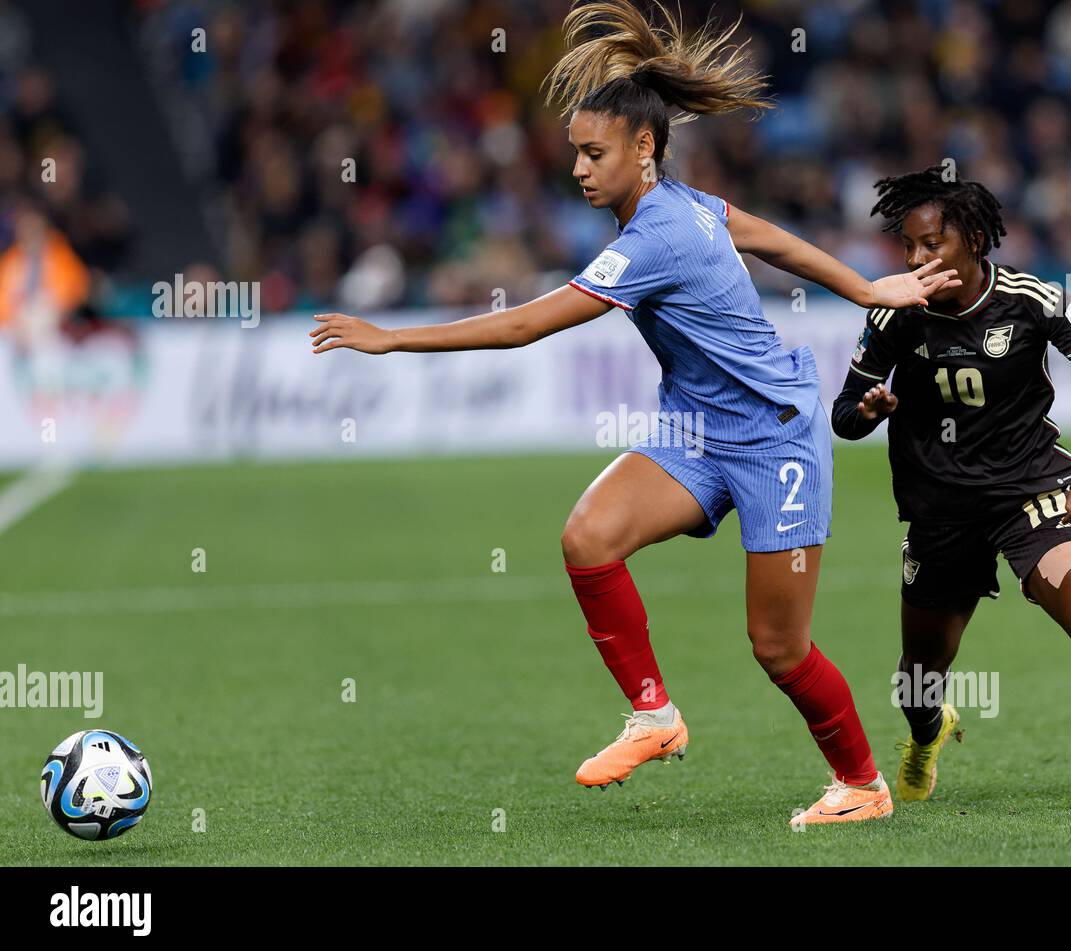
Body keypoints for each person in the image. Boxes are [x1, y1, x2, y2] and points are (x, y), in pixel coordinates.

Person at [311, 1, 958, 826]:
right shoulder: (686, 205)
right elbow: (768, 237)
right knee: (588, 537)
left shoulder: (655, 236)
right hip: (698, 432)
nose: (579, 170)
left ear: (643, 148)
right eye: (575, 153)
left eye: (594, 154)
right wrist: (864, 287)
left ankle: (862, 786)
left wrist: (393, 337)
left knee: (778, 647)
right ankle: (653, 715)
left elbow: (523, 326)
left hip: (775, 439)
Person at [832, 165, 1071, 809]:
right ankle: (927, 734)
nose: (916, 260)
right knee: (918, 685)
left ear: (976, 240)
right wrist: (868, 412)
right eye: (908, 246)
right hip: (941, 510)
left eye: (932, 244)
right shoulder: (896, 313)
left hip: (1033, 494)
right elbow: (844, 414)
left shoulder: (1034, 301)